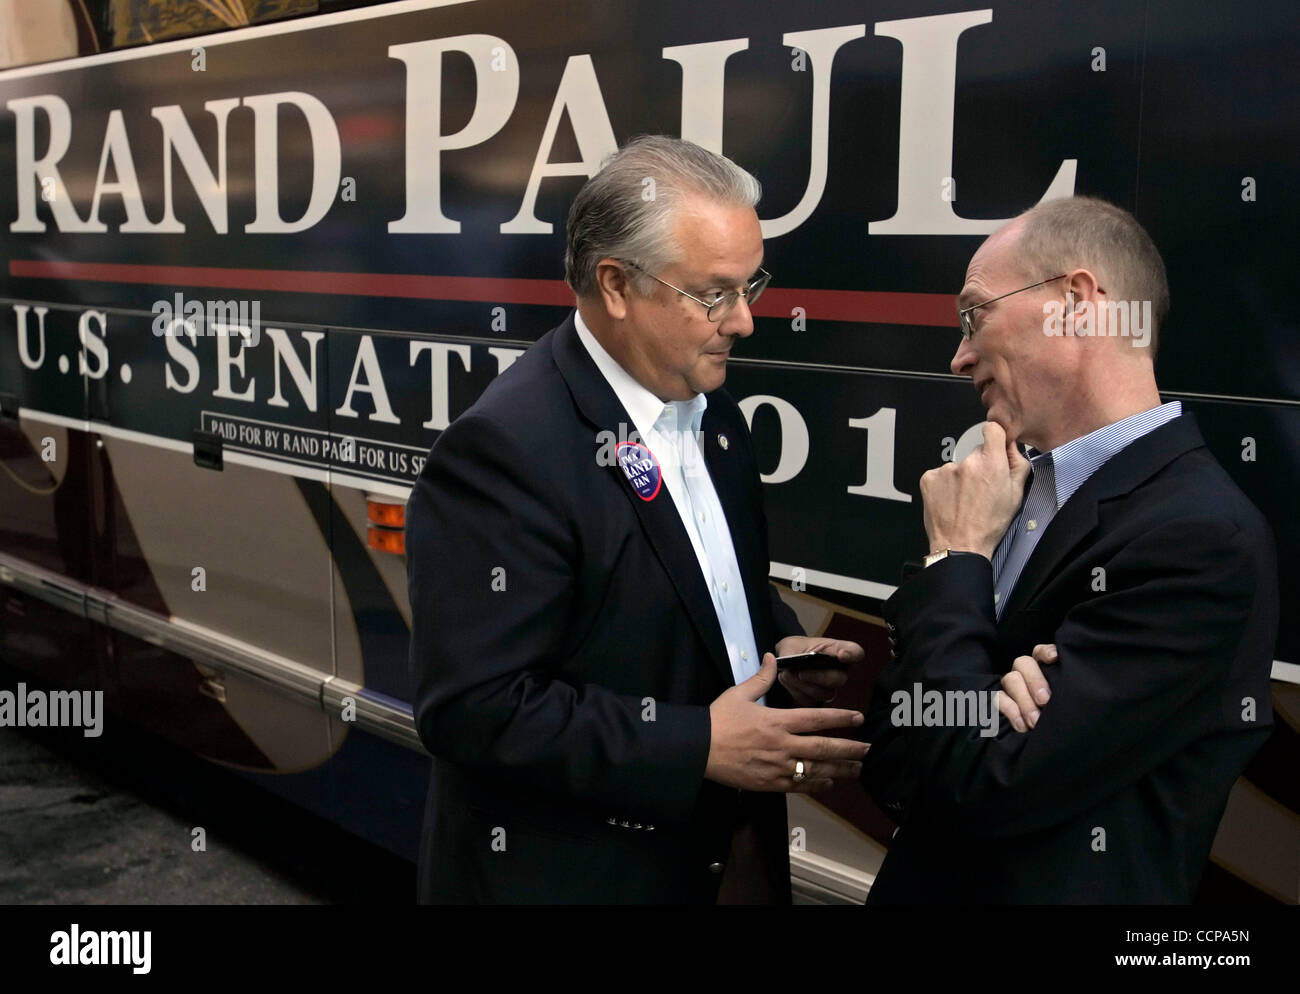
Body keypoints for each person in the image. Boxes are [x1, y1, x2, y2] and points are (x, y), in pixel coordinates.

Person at [406, 136, 868, 904]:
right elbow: (471, 708)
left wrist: (777, 641)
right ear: (616, 285)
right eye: (713, 293)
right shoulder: (507, 449)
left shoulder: (711, 407)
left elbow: (713, 582)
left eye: (751, 283)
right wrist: (696, 746)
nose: (745, 320)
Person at [859, 195, 1278, 903]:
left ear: (1077, 302)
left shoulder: (1201, 541)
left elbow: (981, 779)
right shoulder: (1004, 490)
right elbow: (892, 748)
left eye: (973, 315)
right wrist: (986, 694)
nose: (958, 356)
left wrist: (958, 562)